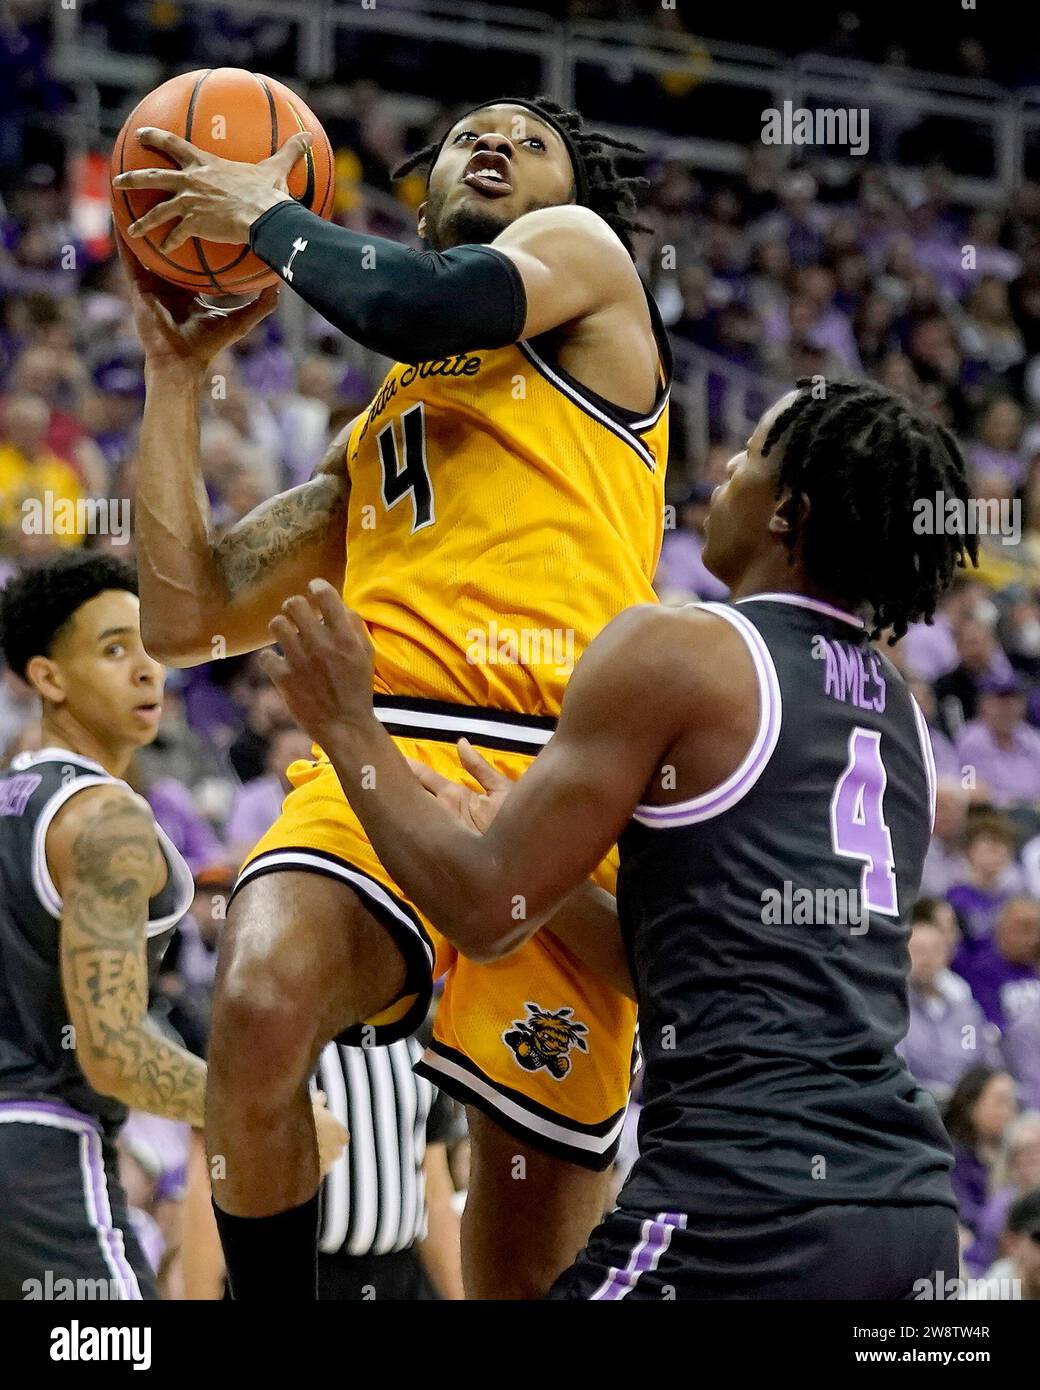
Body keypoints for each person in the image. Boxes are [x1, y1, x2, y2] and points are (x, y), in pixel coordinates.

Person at [116, 96, 670, 1299]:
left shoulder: (586, 262)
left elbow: (414, 302)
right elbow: (185, 616)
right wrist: (174, 377)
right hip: (380, 749)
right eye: (475, 131)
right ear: (423, 193)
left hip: (555, 784)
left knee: (517, 1274)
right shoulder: (383, 431)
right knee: (258, 999)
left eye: (531, 142)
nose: (497, 144)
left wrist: (261, 213)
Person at [261, 377, 973, 1298]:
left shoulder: (679, 650)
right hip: (912, 1217)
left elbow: (481, 913)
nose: (723, 473)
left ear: (788, 515)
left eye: (750, 457)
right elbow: (678, 962)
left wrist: (349, 726)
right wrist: (542, 877)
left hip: (746, 1202)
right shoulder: (903, 719)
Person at [0, 552, 345, 1300]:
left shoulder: (12, 800)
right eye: (114, 649)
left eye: (149, 648)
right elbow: (113, 1051)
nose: (149, 671)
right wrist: (270, 1118)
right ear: (48, 678)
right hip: (41, 1150)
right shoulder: (106, 821)